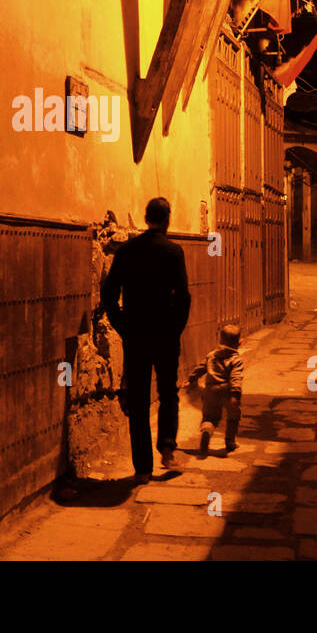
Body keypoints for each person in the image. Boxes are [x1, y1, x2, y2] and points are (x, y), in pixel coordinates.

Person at [101, 197, 191, 482]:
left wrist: (122, 326)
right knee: (168, 392)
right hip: (165, 333)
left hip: (136, 334)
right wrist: (175, 328)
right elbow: (183, 297)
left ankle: (142, 468)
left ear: (145, 216)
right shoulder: (173, 251)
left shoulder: (126, 252)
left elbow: (109, 295)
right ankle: (167, 449)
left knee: (138, 400)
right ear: (167, 219)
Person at [186, 325, 244, 456]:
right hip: (227, 390)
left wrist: (190, 379)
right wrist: (235, 394)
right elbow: (236, 377)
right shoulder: (236, 360)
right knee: (234, 416)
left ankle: (207, 430)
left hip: (210, 390)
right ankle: (230, 441)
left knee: (209, 417)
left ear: (220, 339)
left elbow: (200, 368)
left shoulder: (211, 355)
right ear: (238, 343)